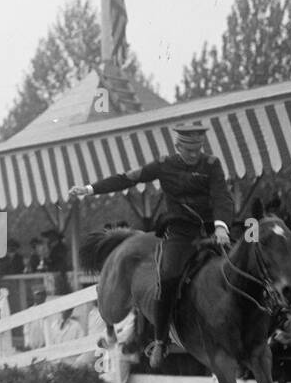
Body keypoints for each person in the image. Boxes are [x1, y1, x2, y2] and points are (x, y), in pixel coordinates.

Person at [68, 119, 232, 368]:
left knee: (249, 262)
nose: (193, 155)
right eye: (188, 151)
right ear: (178, 147)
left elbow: (222, 196)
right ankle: (160, 341)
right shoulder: (164, 165)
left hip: (213, 230)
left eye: (197, 150)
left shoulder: (212, 164)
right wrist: (90, 189)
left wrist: (222, 226)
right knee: (167, 278)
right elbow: (126, 179)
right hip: (180, 233)